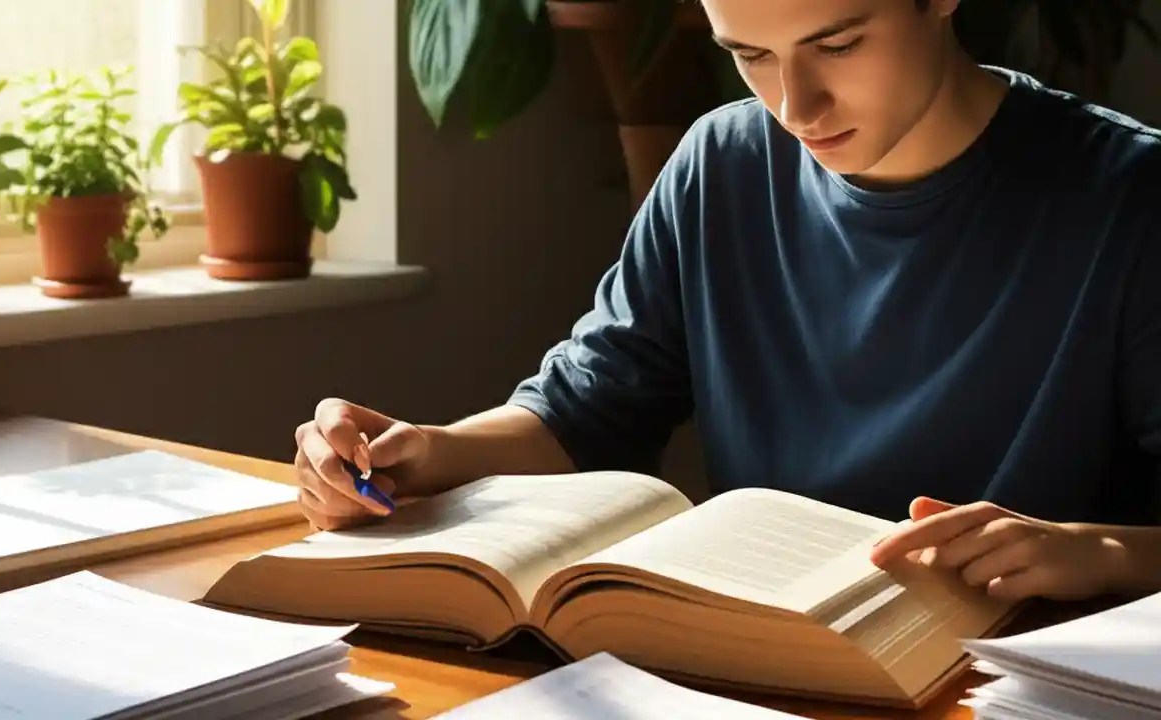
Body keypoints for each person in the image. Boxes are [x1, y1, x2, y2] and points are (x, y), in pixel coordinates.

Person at [294, 0, 1161, 603]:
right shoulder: (721, 164)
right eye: (749, 56)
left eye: (839, 44)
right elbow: (585, 412)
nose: (794, 107)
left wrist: (1107, 551)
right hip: (760, 663)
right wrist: (417, 454)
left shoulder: (1129, 195)